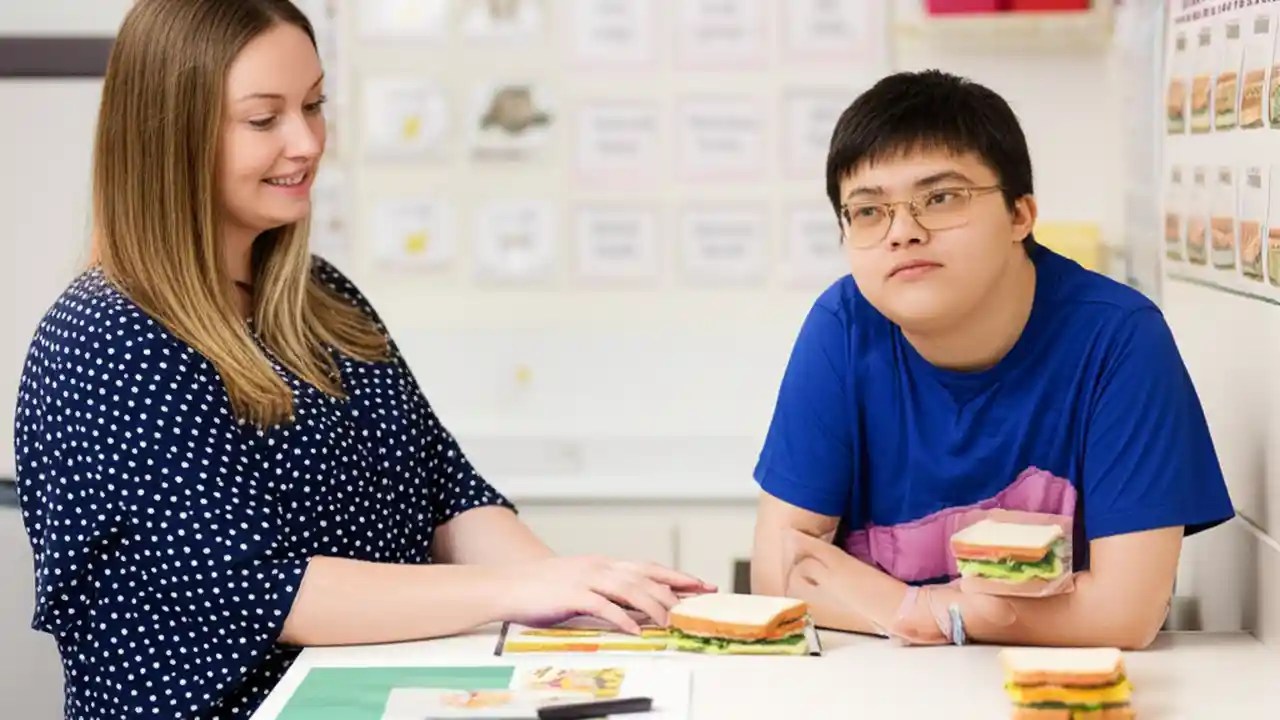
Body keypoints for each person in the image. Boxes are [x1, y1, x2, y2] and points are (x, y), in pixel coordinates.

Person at [11, 2, 711, 718]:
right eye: (264, 119)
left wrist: (586, 594)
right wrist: (520, 592)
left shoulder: (319, 299)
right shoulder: (104, 342)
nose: (307, 141)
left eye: (314, 105)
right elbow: (263, 589)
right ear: (169, 137)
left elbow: (448, 495)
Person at [749, 69, 1234, 650]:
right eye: (869, 211)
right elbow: (779, 581)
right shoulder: (844, 327)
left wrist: (911, 611)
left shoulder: (1119, 339)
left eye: (941, 198)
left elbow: (1126, 613)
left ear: (1020, 215)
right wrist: (945, 609)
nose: (903, 231)